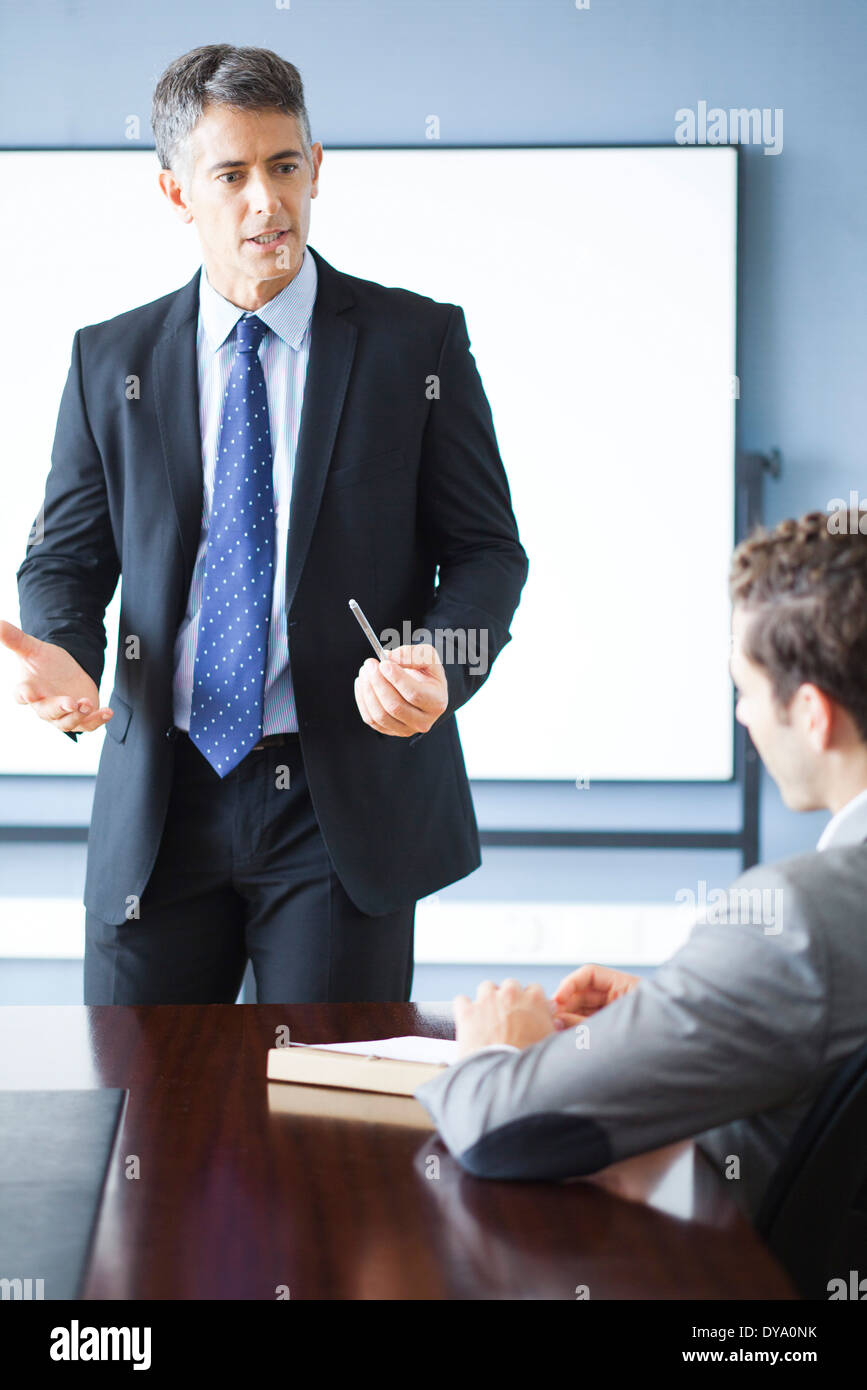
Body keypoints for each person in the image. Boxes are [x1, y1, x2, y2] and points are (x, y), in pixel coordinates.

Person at [2, 44, 528, 1005]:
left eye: (285, 167)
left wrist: (442, 664)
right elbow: (69, 559)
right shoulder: (106, 359)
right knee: (133, 1123)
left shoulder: (416, 343)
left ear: (316, 165)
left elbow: (489, 550)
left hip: (339, 807)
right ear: (175, 192)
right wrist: (68, 648)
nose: (266, 203)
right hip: (159, 804)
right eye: (231, 175)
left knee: (327, 1124)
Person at [416, 508, 867, 1223]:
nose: (743, 719)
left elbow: (499, 1127)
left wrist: (496, 1051)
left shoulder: (796, 923)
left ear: (811, 714)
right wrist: (688, 1018)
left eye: (744, 691)